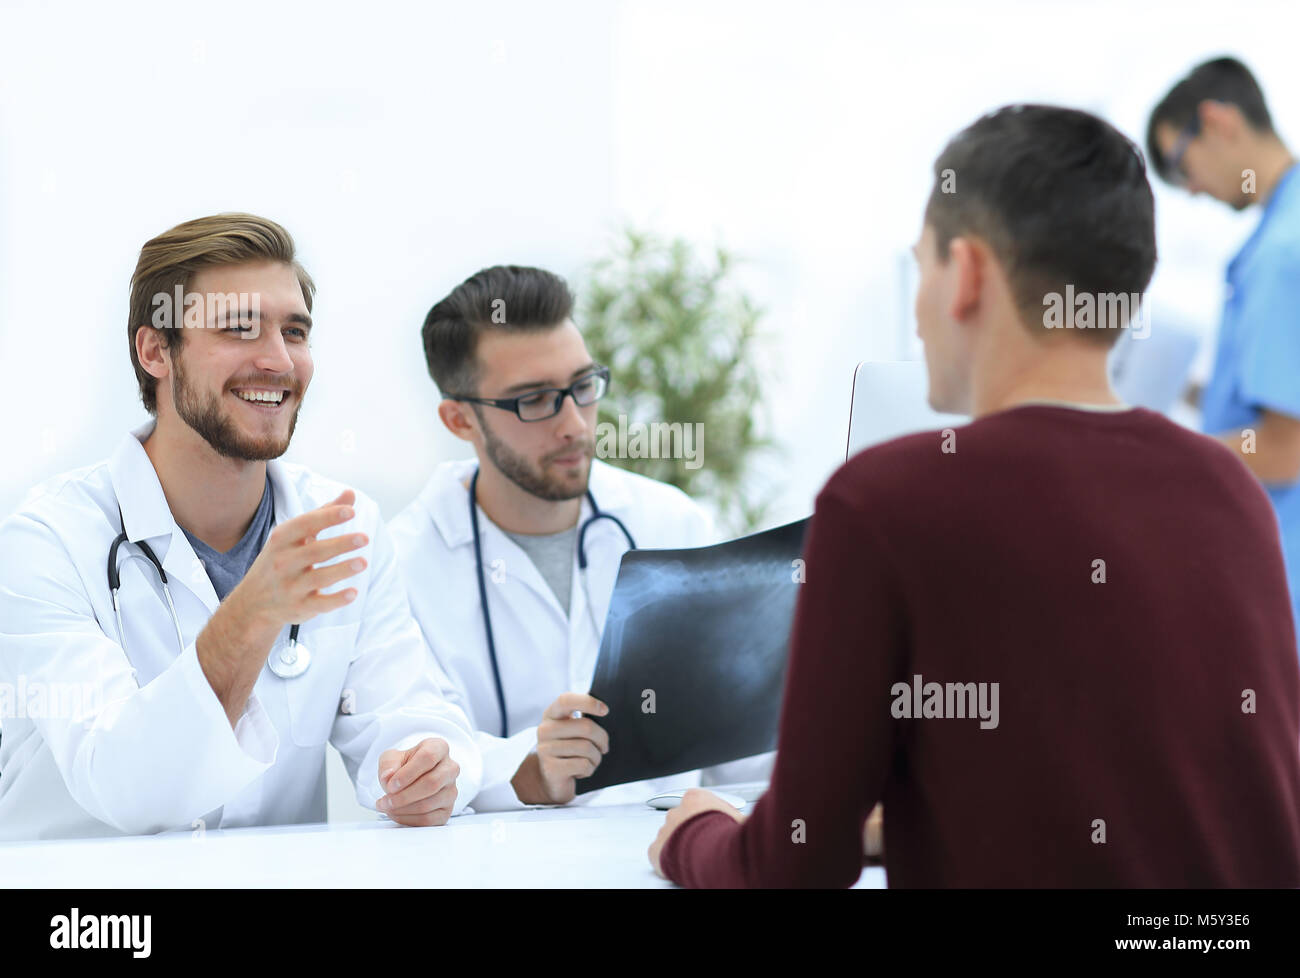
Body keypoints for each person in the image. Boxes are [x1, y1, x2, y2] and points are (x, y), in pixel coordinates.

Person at [650, 105, 1300, 887]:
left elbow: (793, 863)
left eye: (922, 264)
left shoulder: (883, 502)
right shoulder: (1227, 488)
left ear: (967, 274)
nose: (918, 310)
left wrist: (696, 835)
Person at [0, 213, 480, 841]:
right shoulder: (45, 543)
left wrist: (426, 768)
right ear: (155, 351)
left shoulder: (343, 523)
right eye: (238, 328)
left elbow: (408, 712)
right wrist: (249, 616)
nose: (279, 361)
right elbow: (122, 782)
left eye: (295, 331)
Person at [389, 265, 771, 811]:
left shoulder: (674, 525)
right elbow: (419, 751)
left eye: (583, 387)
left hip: (671, 860)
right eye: (535, 400)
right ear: (460, 420)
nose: (575, 424)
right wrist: (530, 769)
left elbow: (748, 749)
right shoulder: (405, 563)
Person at [1147, 56, 1300, 634]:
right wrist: (1196, 393)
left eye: (1180, 164)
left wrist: (1158, 456)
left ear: (1217, 121)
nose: (1189, 190)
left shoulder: (1284, 252)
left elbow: (1287, 448)